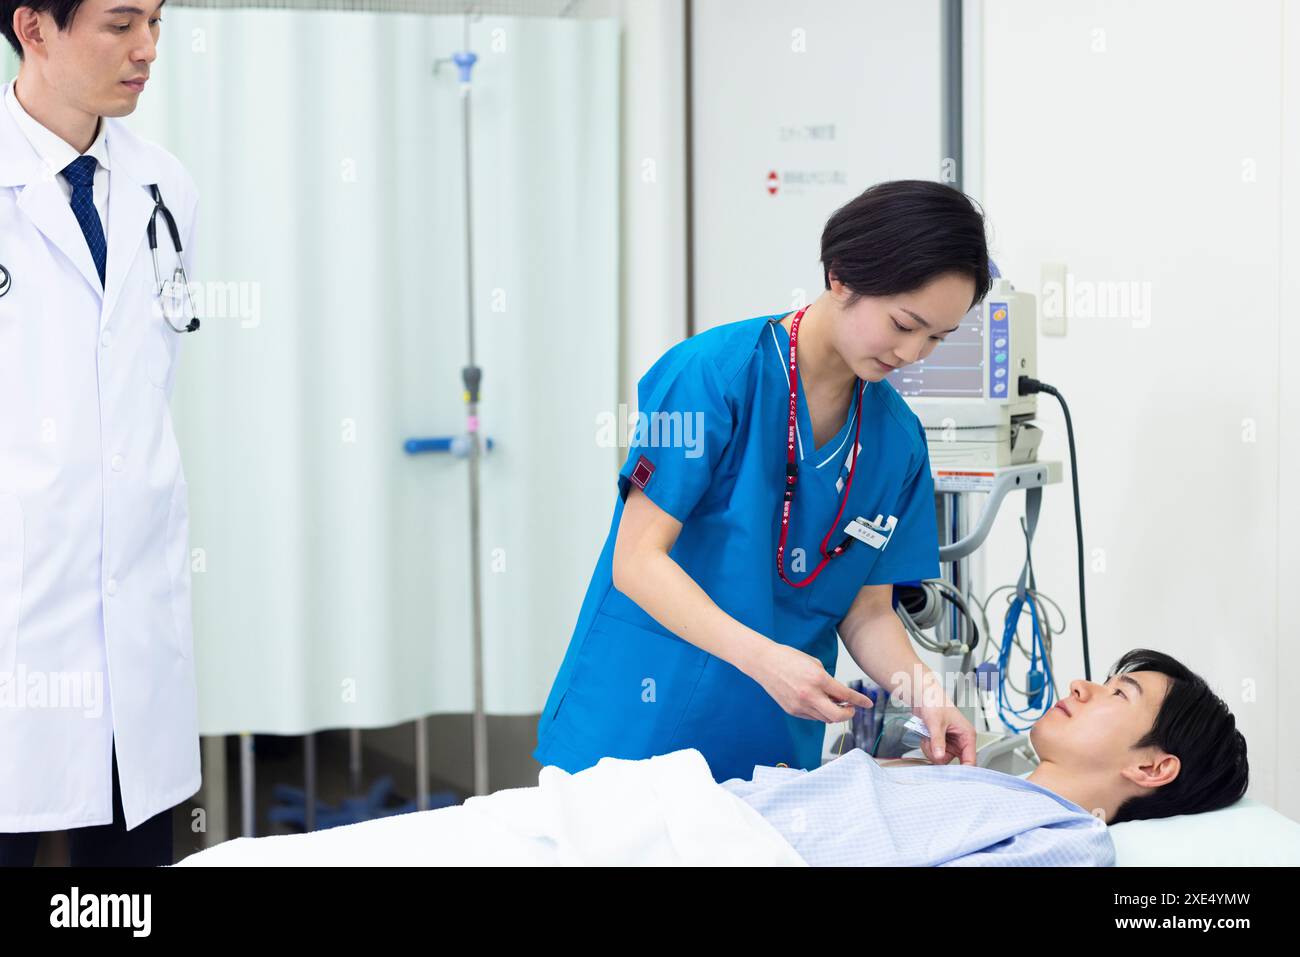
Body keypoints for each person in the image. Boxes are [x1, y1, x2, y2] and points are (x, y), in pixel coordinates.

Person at [535, 180, 991, 783]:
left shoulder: (896, 441)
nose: (913, 354)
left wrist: (927, 694)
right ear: (842, 277)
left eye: (936, 338)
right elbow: (637, 560)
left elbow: (867, 611)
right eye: (904, 324)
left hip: (767, 747)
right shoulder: (711, 378)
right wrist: (767, 660)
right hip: (634, 726)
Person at [0, 0, 200, 865]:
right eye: (120, 24)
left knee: (127, 891)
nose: (147, 49)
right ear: (34, 29)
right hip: (17, 613)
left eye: (155, 21)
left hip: (135, 619)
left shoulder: (168, 187)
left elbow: (144, 385)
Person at [721, 649, 1251, 866]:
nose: (1081, 686)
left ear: (1153, 767)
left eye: (1119, 694)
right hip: (709, 807)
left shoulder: (1072, 838)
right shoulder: (994, 788)